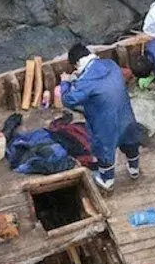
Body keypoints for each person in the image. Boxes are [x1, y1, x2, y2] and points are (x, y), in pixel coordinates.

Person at [59, 43, 143, 191]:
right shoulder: (110, 64)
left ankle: (107, 180)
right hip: (125, 115)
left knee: (105, 149)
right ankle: (134, 169)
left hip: (105, 122)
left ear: (77, 63)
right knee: (130, 141)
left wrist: (65, 82)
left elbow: (68, 100)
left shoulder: (86, 81)